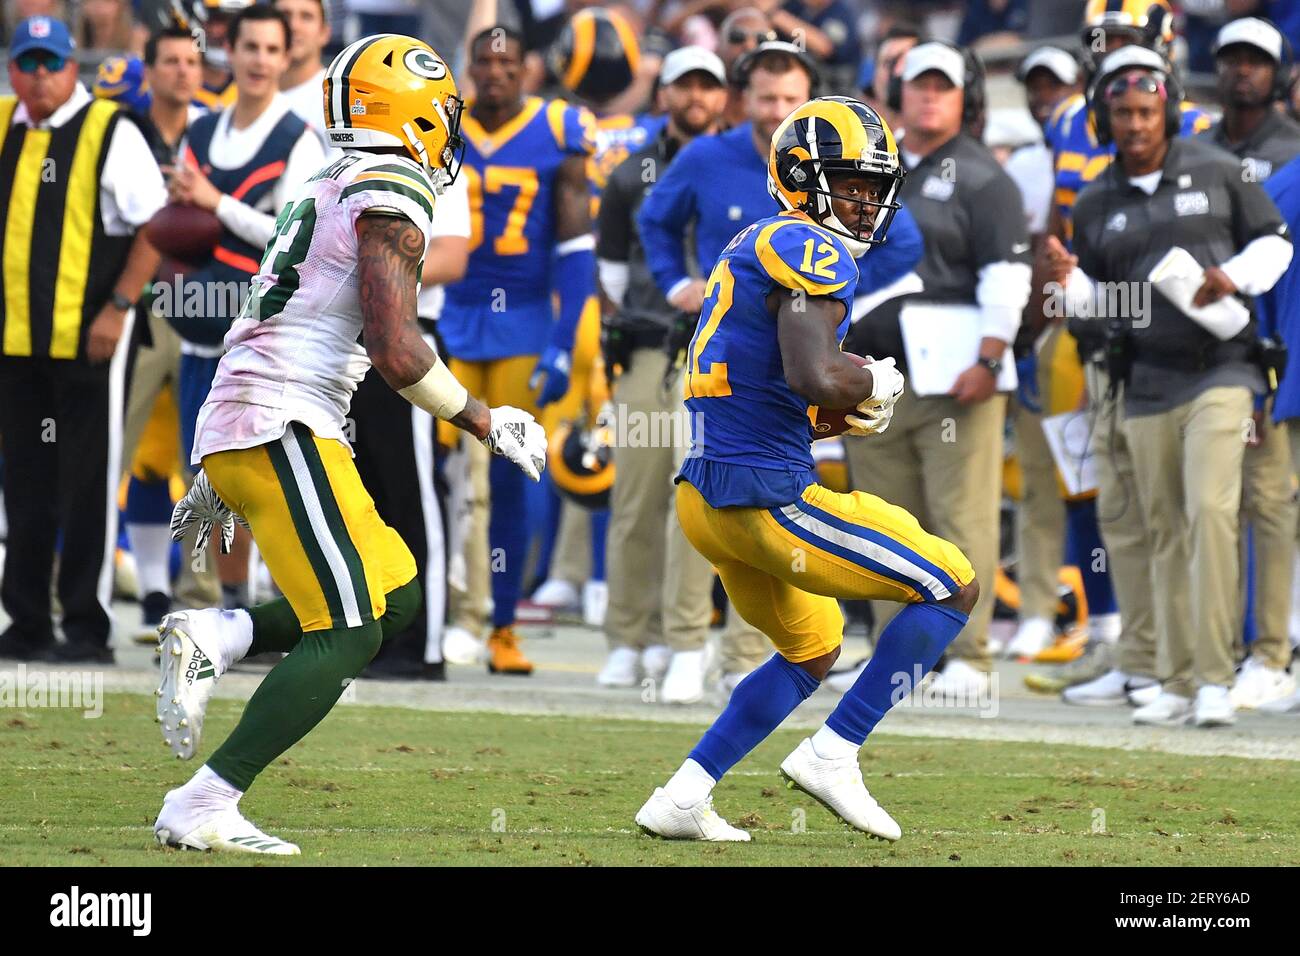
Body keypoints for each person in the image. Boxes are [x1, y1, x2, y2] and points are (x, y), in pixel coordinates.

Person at [151, 35, 548, 855]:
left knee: (396, 593)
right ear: (398, 111)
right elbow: (398, 349)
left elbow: (275, 312)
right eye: (437, 111)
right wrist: (486, 418)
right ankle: (204, 800)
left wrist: (222, 452)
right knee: (350, 626)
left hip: (269, 415)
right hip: (281, 417)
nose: (445, 127)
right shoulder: (392, 182)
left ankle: (219, 635)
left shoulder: (329, 177)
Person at [635, 96, 978, 843]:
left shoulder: (759, 241)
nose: (867, 201)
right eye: (852, 184)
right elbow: (814, 374)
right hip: (766, 497)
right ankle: (837, 749)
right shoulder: (809, 249)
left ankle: (682, 796)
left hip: (706, 497)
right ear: (801, 177)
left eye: (873, 186)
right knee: (952, 583)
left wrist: (835, 396)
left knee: (813, 643)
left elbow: (779, 377)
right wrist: (870, 382)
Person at [1048, 51, 1292, 728]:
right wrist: (1068, 281)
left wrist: (1234, 276)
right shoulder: (1095, 200)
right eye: (1121, 113)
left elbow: (1275, 242)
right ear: (1102, 118)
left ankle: (1217, 676)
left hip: (1223, 368)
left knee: (1211, 514)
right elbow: (1100, 302)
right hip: (1144, 377)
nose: (1134, 125)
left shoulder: (1217, 169)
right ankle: (1178, 680)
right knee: (1163, 530)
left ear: (1170, 110)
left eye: (1146, 112)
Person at [842, 41, 1032, 698]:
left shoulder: (985, 177)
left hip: (956, 371)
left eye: (942, 86)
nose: (928, 95)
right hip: (875, 373)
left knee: (961, 515)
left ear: (965, 97)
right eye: (917, 84)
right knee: (884, 517)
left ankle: (970, 656)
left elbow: (1008, 274)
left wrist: (991, 354)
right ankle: (896, 659)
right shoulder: (874, 165)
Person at [638, 40, 817, 688]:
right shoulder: (707, 155)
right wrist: (672, 282)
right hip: (717, 357)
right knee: (701, 486)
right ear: (744, 100)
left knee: (774, 498)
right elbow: (655, 220)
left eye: (790, 99)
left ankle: (749, 654)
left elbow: (894, 234)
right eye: (766, 98)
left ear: (809, 100)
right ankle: (687, 642)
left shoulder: (826, 156)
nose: (777, 111)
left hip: (798, 359)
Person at [0, 16, 167, 663]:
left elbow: (153, 225)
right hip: (19, 342)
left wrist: (119, 305)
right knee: (26, 479)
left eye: (52, 63)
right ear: (14, 68)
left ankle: (86, 622)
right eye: (28, 63)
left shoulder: (109, 130)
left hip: (90, 336)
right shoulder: (7, 126)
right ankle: (28, 621)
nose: (40, 76)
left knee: (88, 480)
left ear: (73, 68)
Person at [437, 25, 596, 674]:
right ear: (471, 67)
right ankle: (442, 613)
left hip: (522, 325)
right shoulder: (443, 124)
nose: (496, 72)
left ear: (526, 68)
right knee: (439, 477)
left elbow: (576, 246)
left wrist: (562, 344)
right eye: (485, 61)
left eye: (508, 61)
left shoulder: (558, 131)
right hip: (446, 318)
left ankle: (502, 622)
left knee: (510, 475)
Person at [161, 3, 324, 610]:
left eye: (271, 50)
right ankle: (217, 601)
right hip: (196, 322)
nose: (258, 60)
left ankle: (267, 604)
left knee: (256, 478)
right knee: (202, 475)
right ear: (229, 51)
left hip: (260, 336)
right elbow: (179, 217)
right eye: (249, 47)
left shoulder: (298, 139)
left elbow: (294, 238)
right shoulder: (202, 130)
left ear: (287, 58)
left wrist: (215, 203)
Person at [597, 46, 730, 703]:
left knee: (697, 501)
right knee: (638, 496)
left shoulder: (747, 165)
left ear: (723, 96)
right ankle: (628, 635)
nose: (695, 96)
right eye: (685, 85)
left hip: (725, 350)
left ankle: (692, 637)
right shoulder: (632, 172)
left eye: (708, 85)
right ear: (665, 94)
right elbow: (611, 273)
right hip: (652, 341)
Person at [1199, 16, 1300, 711]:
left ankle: (1272, 651)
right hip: (1243, 357)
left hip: (1268, 357)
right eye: (1231, 59)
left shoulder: (1288, 158)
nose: (1243, 72)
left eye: (1255, 60)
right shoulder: (1198, 150)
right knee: (1237, 508)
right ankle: (1252, 651)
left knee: (1265, 508)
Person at [273, 0, 335, 152]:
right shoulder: (241, 92)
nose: (294, 26)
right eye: (285, 15)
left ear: (324, 33)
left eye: (306, 17)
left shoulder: (336, 101)